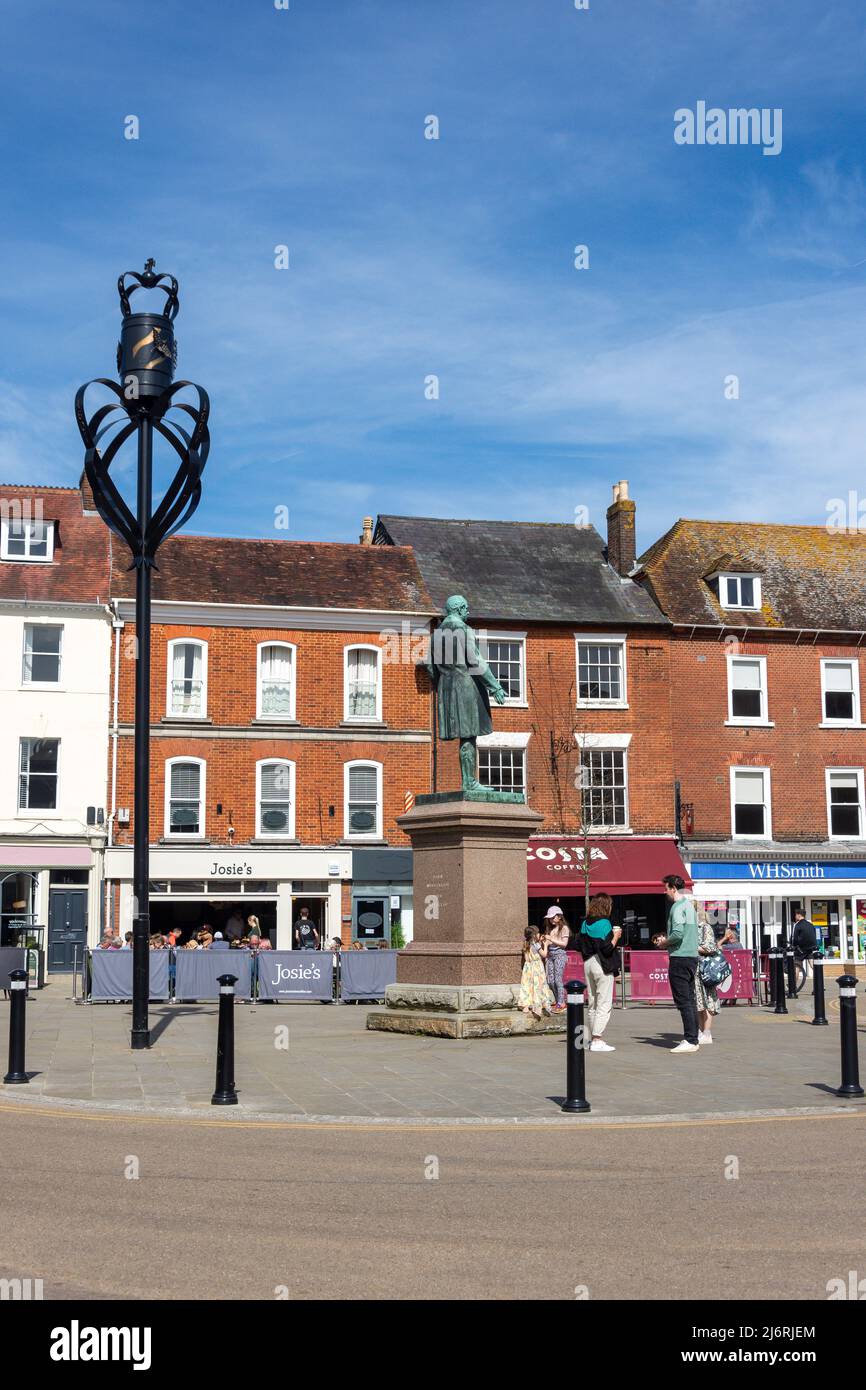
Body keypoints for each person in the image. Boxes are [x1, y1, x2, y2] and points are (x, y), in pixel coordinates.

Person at [653, 875, 700, 1053]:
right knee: (690, 999)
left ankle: (690, 1039)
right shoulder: (690, 906)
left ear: (673, 888)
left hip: (680, 957)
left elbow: (678, 933)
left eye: (666, 888)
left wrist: (664, 943)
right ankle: (693, 1038)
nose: (664, 891)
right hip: (691, 957)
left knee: (683, 1001)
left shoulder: (677, 908)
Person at [577, 893, 621, 1052]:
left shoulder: (584, 923)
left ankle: (592, 1039)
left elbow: (578, 944)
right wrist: (616, 936)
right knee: (604, 1002)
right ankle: (597, 1039)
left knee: (593, 1002)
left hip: (588, 963)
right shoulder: (605, 923)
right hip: (602, 964)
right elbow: (607, 948)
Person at [695, 909, 721, 1044]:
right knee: (699, 1002)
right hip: (696, 970)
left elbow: (710, 948)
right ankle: (701, 1031)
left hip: (706, 970)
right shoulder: (693, 928)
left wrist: (692, 946)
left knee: (708, 1000)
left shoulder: (705, 928)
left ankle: (707, 1032)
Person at [518, 925, 554, 1019]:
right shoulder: (536, 944)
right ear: (534, 935)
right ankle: (538, 1004)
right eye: (537, 933)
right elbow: (544, 954)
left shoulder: (526, 943)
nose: (539, 934)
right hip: (537, 967)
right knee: (538, 986)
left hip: (528, 967)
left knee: (527, 986)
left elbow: (526, 958)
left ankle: (525, 1006)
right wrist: (545, 945)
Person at [543, 905, 568, 1012]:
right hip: (550, 956)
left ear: (560, 917)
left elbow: (564, 944)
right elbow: (549, 943)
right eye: (550, 918)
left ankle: (561, 1003)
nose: (551, 919)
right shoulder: (551, 929)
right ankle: (559, 1001)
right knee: (551, 981)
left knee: (558, 979)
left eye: (553, 917)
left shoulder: (564, 928)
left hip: (560, 955)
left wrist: (551, 939)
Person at [792, 908, 819, 994]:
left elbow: (795, 939)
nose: (795, 916)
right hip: (810, 948)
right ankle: (818, 986)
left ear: (799, 915)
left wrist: (793, 947)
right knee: (814, 967)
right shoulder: (810, 924)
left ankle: (793, 988)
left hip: (800, 949)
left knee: (796, 967)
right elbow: (814, 936)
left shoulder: (797, 925)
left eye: (796, 914)